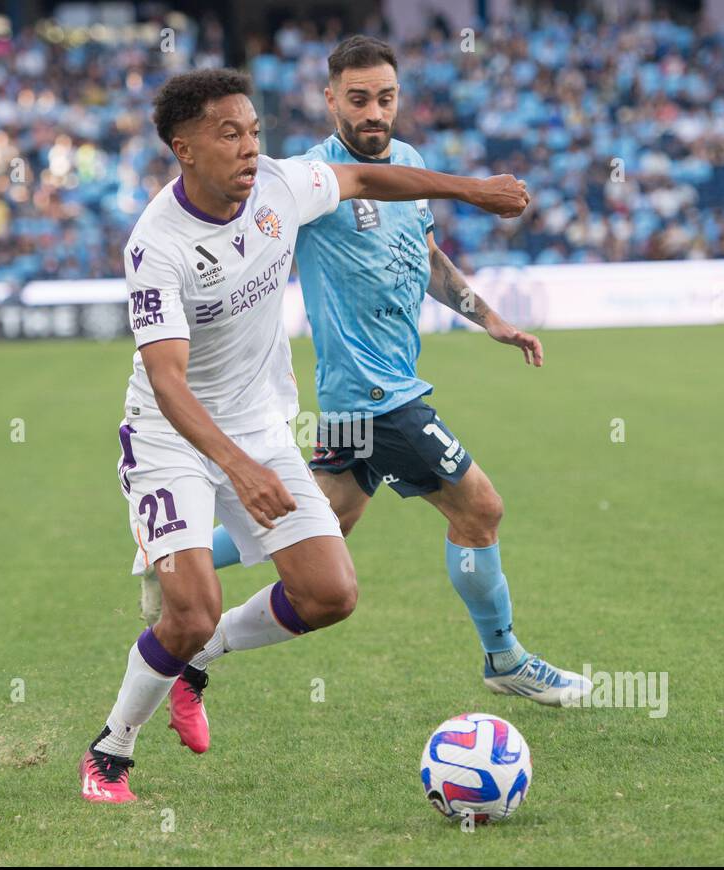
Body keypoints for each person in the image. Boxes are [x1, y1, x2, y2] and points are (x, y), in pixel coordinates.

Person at [83, 67, 529, 803]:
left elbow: (364, 179)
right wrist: (236, 465)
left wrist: (472, 190)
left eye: (254, 130)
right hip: (172, 437)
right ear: (183, 148)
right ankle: (110, 753)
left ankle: (195, 665)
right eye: (229, 135)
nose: (250, 147)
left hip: (258, 424)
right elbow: (167, 381)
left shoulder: (282, 188)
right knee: (188, 608)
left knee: (329, 594)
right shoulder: (156, 246)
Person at [142, 39, 591, 759]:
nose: (375, 112)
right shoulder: (310, 180)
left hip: (361, 400)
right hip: (377, 395)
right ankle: (504, 661)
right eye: (358, 99)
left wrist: (489, 318)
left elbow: (429, 259)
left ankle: (170, 578)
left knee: (318, 522)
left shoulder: (404, 163)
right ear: (330, 100)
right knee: (481, 509)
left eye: (385, 97)